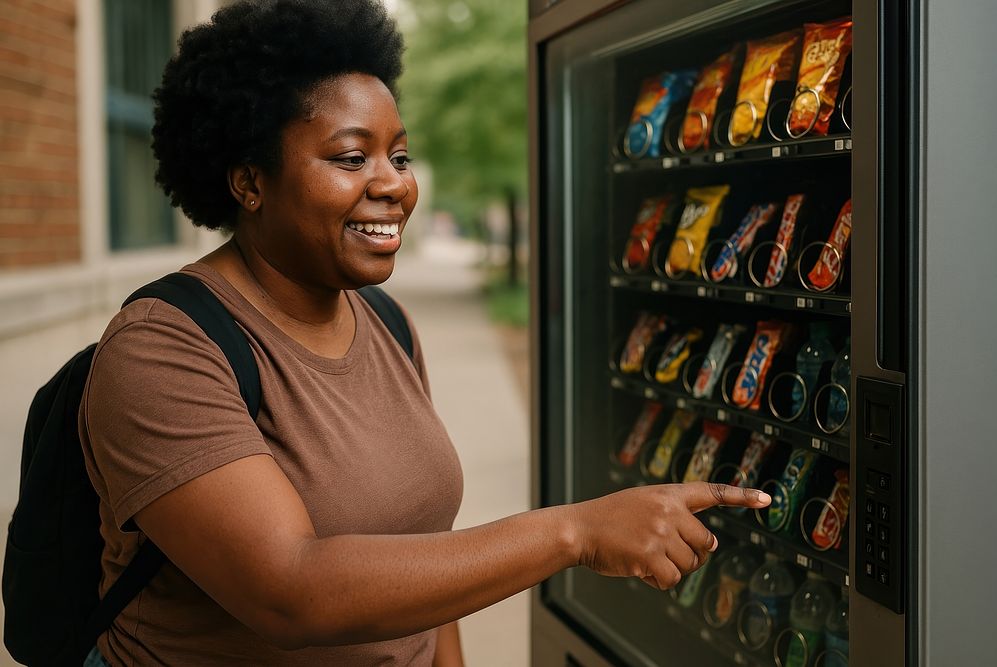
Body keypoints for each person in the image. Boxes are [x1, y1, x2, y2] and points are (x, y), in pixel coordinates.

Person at [78, 1, 771, 665]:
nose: (394, 185)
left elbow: (429, 560)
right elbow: (289, 590)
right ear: (249, 182)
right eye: (352, 158)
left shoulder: (385, 320)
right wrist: (575, 531)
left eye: (400, 156)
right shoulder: (162, 348)